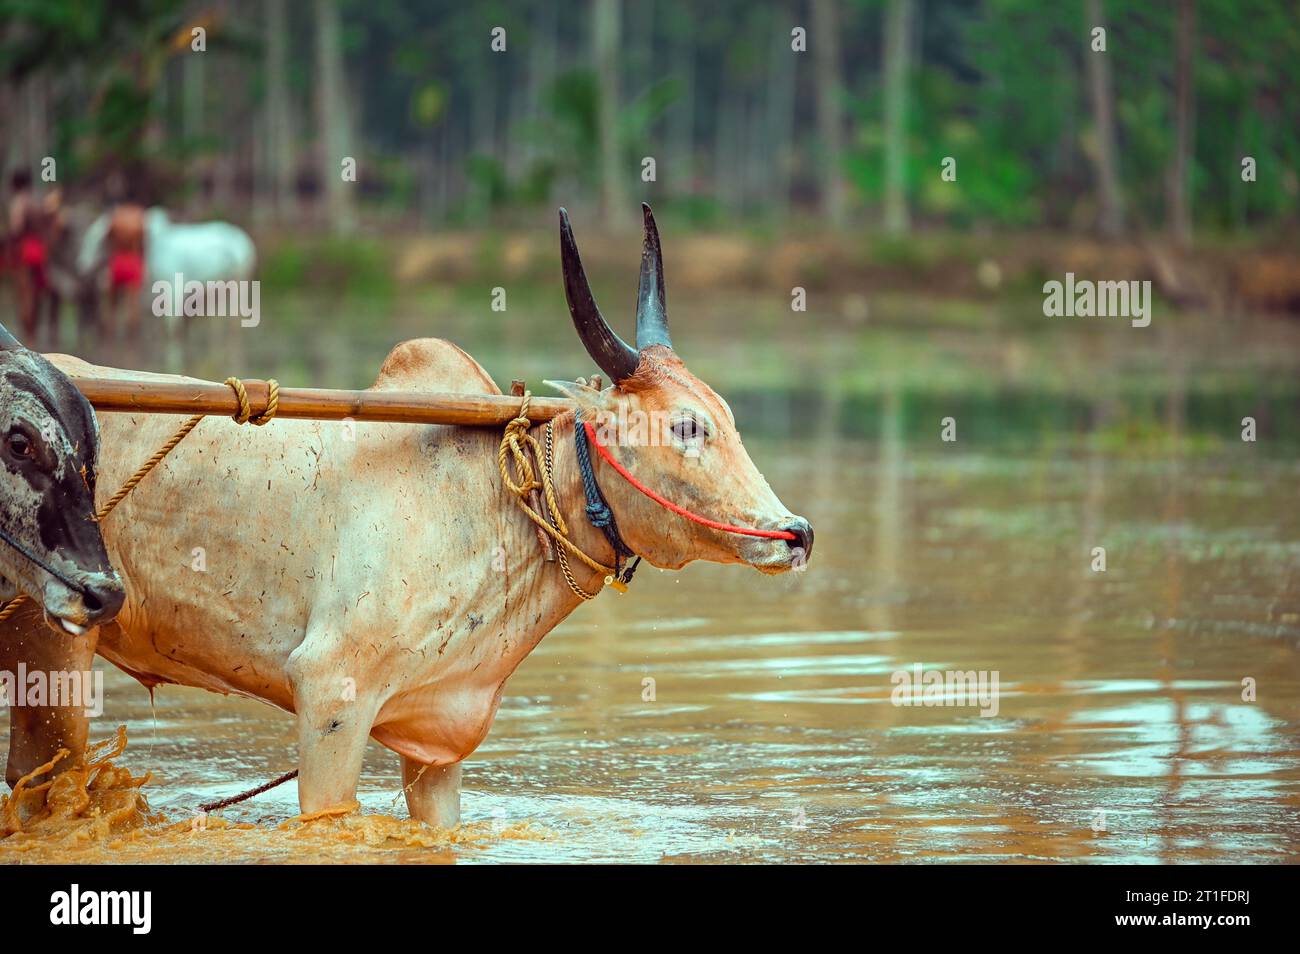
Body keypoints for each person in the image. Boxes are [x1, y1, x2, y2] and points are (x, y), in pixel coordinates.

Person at [7, 169, 47, 342]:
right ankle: (35, 334)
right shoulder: (37, 201)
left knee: (25, 294)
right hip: (39, 248)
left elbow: (16, 228)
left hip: (24, 249)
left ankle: (28, 337)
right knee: (36, 293)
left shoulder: (18, 202)